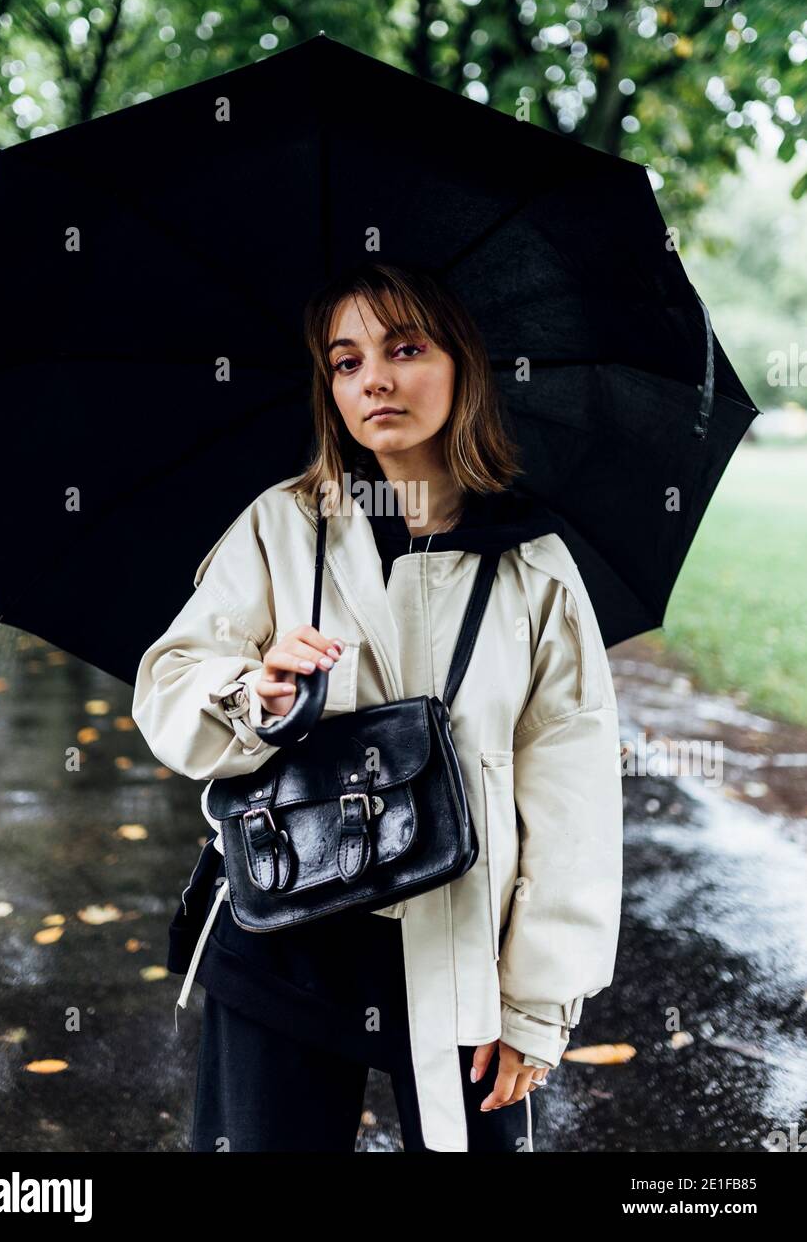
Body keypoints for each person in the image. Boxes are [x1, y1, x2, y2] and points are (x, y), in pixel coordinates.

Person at [131, 261, 623, 1153]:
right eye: (345, 361)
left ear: (462, 364)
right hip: (283, 929)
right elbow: (170, 686)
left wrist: (537, 1003)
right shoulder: (280, 527)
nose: (375, 380)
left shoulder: (532, 566)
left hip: (461, 951)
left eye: (405, 348)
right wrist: (253, 691)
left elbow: (575, 792)